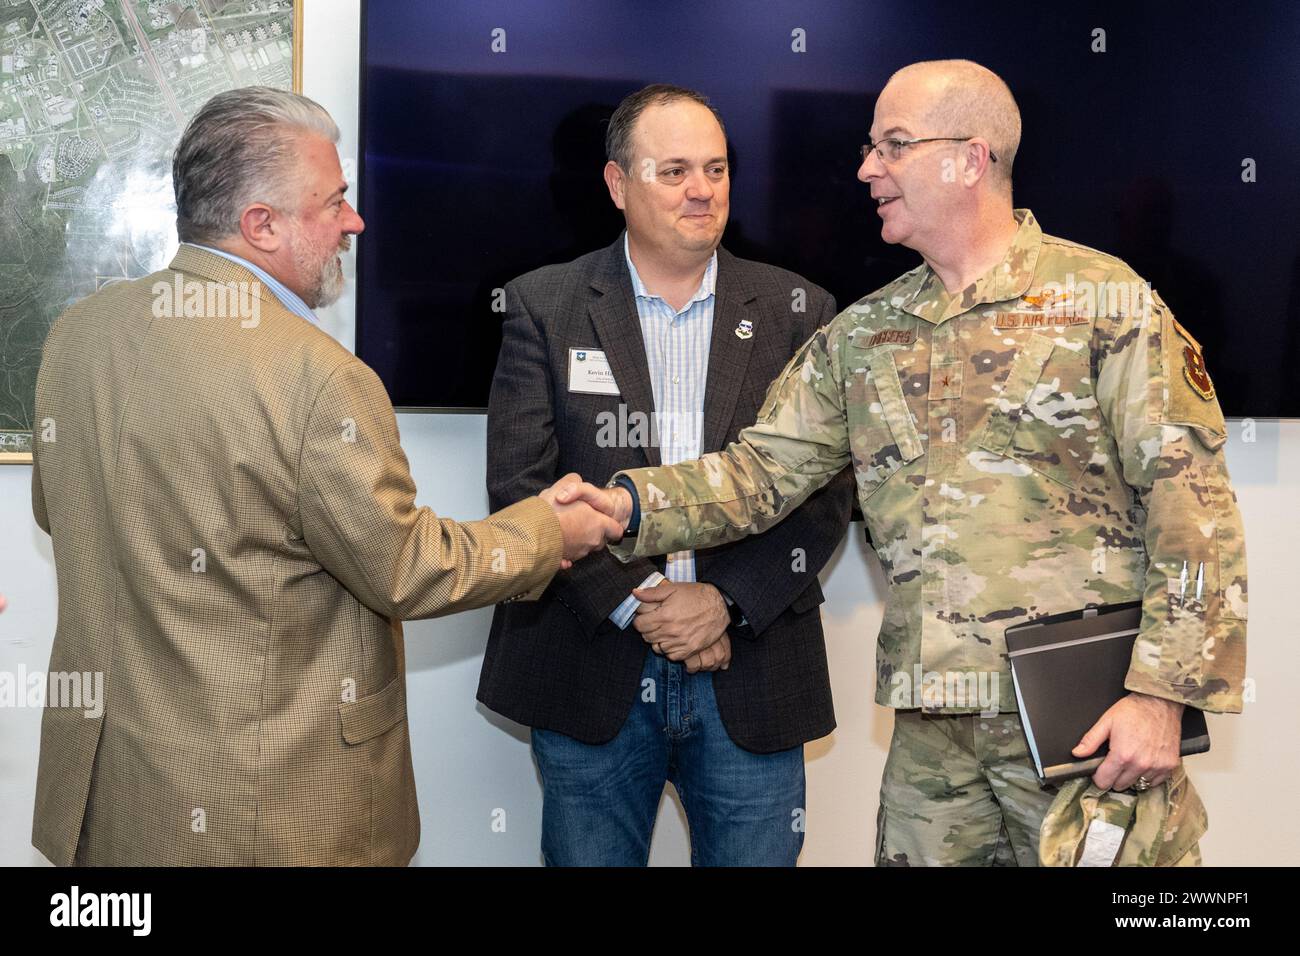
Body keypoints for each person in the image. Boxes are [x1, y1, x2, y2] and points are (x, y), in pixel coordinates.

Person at [571, 60, 1247, 866]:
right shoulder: (867, 333)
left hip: (1090, 726)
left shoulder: (1105, 302)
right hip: (935, 743)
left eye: (892, 146)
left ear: (970, 157)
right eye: (868, 147)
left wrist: (1162, 694)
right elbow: (760, 474)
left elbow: (1193, 509)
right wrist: (626, 505)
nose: (866, 169)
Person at [29, 87, 620, 867]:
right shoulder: (319, 378)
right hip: (261, 812)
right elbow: (410, 569)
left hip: (113, 799)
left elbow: (56, 508)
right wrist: (554, 526)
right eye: (334, 201)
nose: (355, 221)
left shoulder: (80, 332)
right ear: (260, 226)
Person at [477, 84, 854, 866]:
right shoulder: (544, 305)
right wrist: (639, 606)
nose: (701, 190)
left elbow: (828, 492)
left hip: (749, 669)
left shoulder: (799, 310)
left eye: (716, 169)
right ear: (618, 185)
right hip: (590, 665)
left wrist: (723, 602)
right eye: (674, 170)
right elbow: (523, 489)